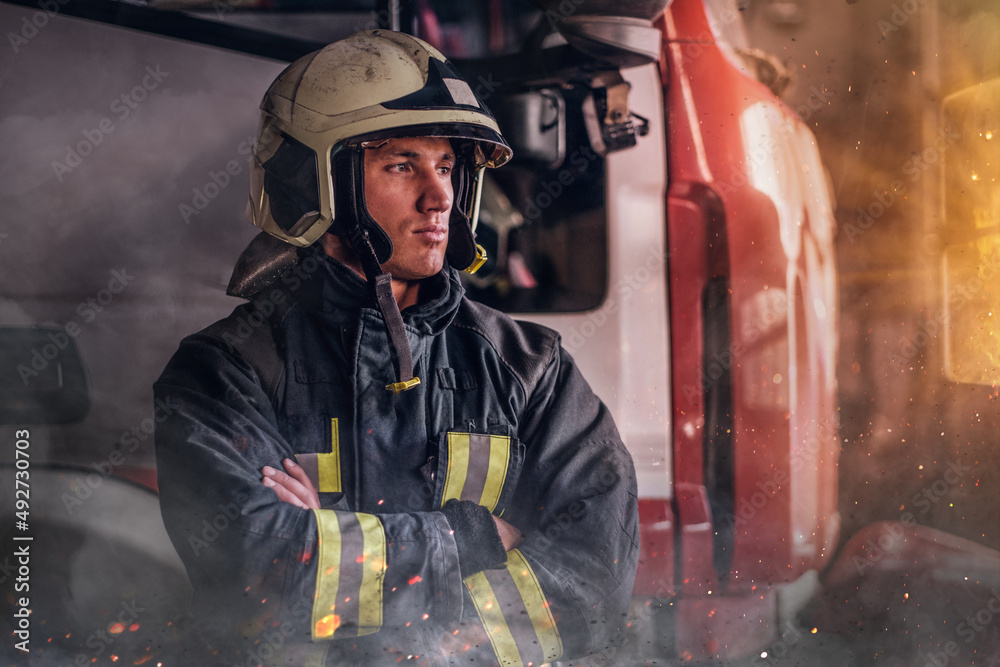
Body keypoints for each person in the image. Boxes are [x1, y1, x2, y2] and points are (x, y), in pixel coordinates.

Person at [154, 29, 638, 666]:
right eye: (402, 164)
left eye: (446, 167)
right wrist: (477, 537)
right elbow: (257, 574)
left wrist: (394, 633)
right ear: (317, 182)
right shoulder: (224, 370)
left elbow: (592, 587)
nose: (440, 198)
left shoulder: (530, 368)